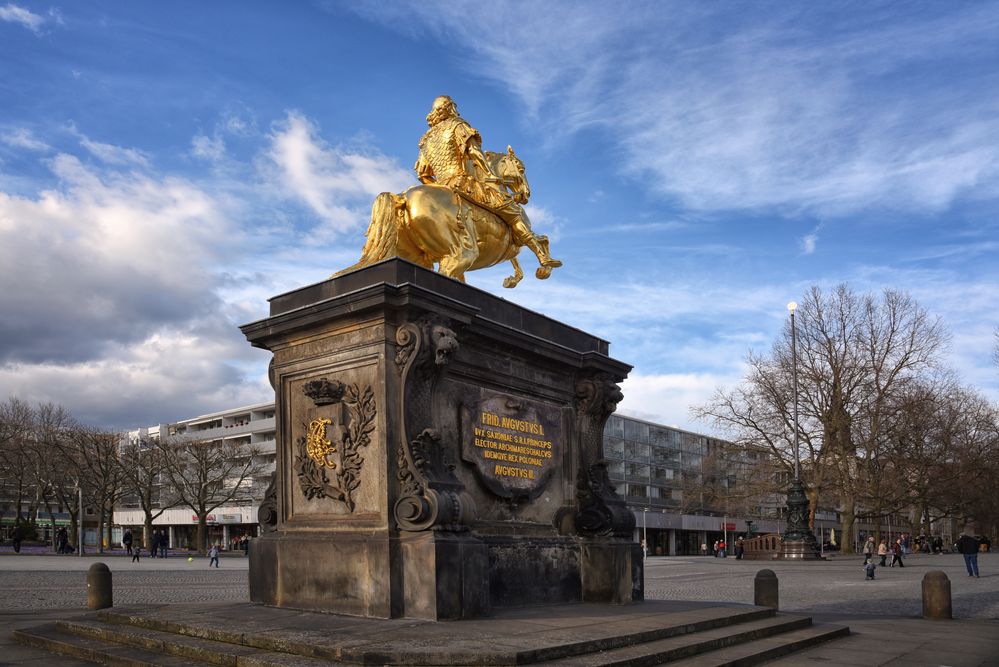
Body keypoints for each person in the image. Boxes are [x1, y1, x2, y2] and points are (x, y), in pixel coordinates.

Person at [414, 95, 561, 271]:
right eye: (453, 106)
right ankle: (542, 256)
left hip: (440, 185)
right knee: (513, 212)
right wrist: (490, 174)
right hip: (461, 181)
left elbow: (423, 174)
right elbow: (475, 152)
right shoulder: (458, 125)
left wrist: (438, 189)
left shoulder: (426, 140)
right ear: (449, 108)